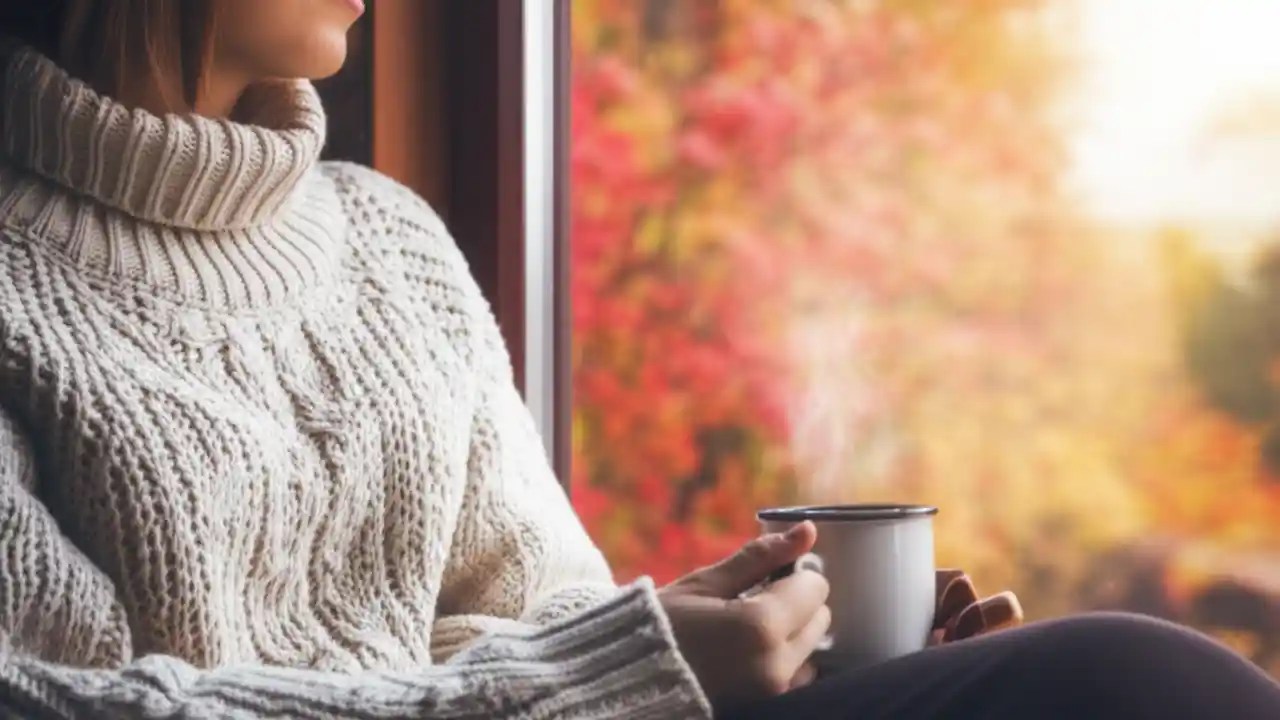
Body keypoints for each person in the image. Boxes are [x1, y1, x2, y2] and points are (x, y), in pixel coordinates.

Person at [0, 2, 1276, 718]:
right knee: (1134, 685)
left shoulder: (387, 241)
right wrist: (604, 675)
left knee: (1129, 688)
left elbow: (534, 625)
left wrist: (741, 640)